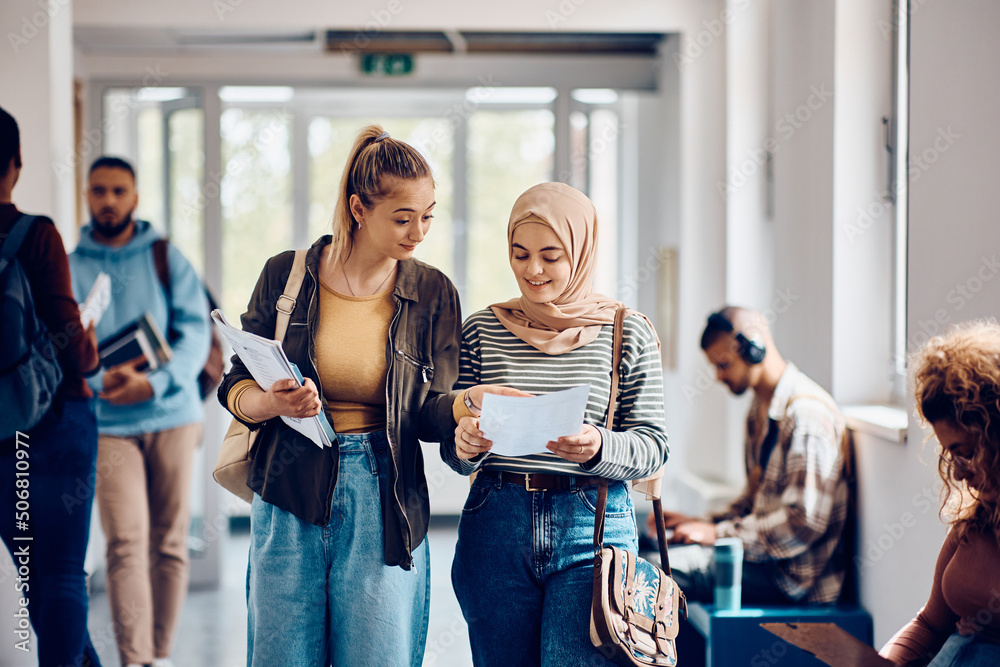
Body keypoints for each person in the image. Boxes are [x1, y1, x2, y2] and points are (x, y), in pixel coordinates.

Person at [218, 125, 489, 666]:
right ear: (359, 207)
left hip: (384, 496)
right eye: (403, 217)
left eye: (429, 215)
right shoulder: (286, 276)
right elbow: (235, 386)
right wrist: (275, 403)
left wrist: (467, 411)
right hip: (288, 485)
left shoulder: (432, 291)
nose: (419, 232)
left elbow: (435, 409)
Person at [442, 181, 669, 666]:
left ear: (582, 251)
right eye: (520, 254)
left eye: (551, 255)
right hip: (496, 519)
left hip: (593, 525)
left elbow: (654, 446)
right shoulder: (482, 330)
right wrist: (465, 443)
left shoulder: (628, 331)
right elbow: (453, 451)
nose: (534, 270)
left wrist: (598, 447)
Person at [69, 156, 211, 667]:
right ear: (87, 196)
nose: (108, 200)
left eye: (118, 191)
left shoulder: (164, 256)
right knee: (125, 543)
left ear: (135, 196)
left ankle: (161, 657)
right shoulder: (68, 264)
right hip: (106, 423)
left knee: (169, 543)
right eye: (98, 191)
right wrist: (97, 380)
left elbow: (196, 334)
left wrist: (152, 385)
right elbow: (56, 345)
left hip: (172, 414)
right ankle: (137, 660)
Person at [647, 307, 849, 605]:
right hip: (763, 560)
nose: (718, 376)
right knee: (645, 546)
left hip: (791, 579)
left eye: (724, 364)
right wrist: (699, 524)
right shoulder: (759, 411)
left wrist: (716, 534)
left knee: (651, 571)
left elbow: (802, 524)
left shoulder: (806, 417)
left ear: (754, 349)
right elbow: (755, 503)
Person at [0, 107, 103, 666]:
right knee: (60, 574)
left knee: (29, 574)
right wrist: (87, 331)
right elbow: (76, 350)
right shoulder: (34, 234)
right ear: (14, 166)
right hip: (57, 421)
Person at [880, 321, 1000, 666]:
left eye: (966, 451)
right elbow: (931, 624)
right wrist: (883, 662)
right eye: (951, 455)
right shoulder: (975, 521)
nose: (959, 473)